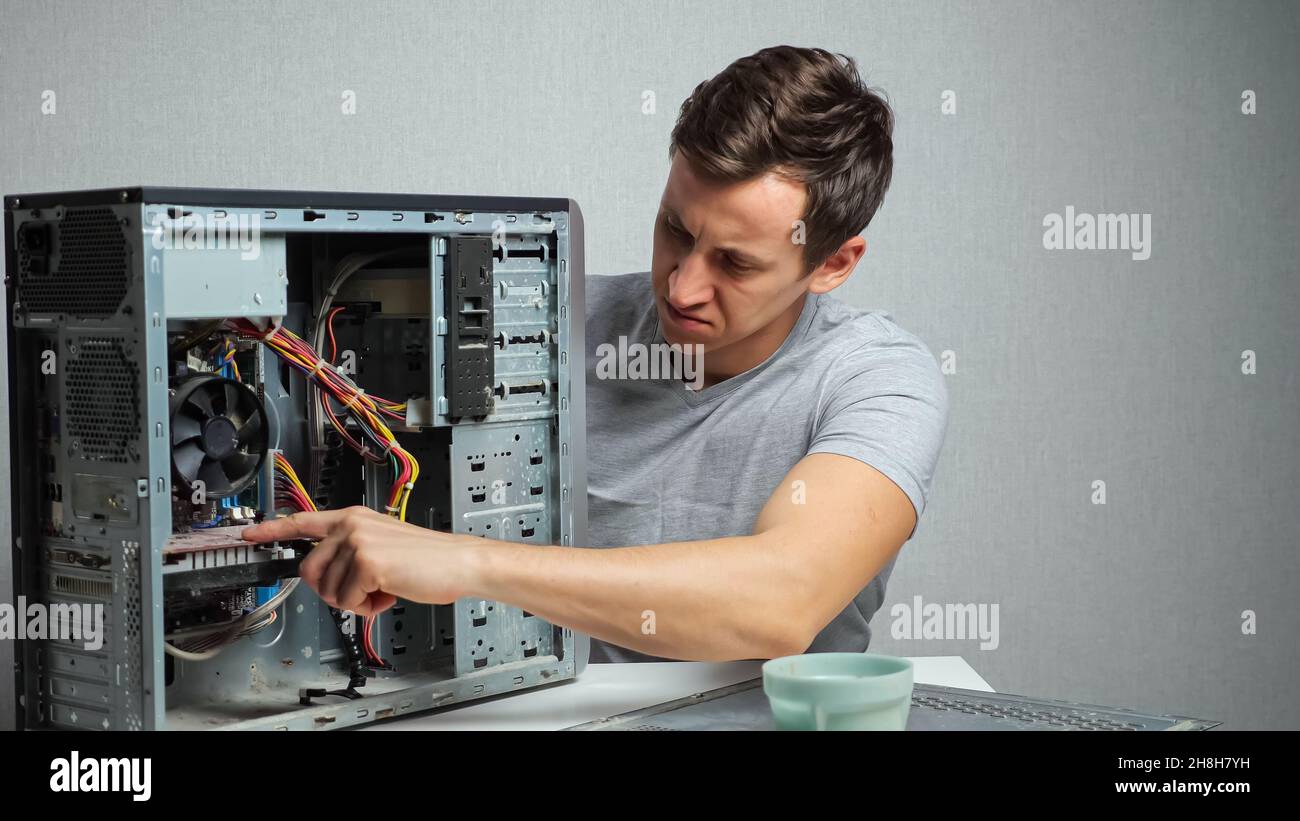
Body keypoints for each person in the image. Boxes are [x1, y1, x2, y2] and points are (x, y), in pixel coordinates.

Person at [242, 45, 949, 663]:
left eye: (735, 263)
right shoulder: (555, 323)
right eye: (675, 228)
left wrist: (468, 561)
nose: (681, 284)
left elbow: (782, 600)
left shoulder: (877, 379)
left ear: (833, 263)